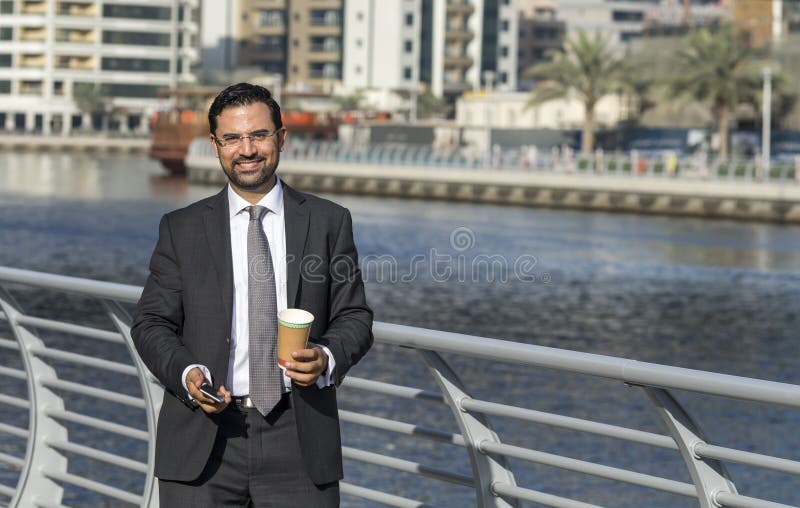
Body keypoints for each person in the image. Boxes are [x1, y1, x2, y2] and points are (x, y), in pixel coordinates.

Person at [132, 82, 373, 507]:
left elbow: (354, 317)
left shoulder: (328, 221)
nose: (247, 150)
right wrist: (188, 374)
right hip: (202, 440)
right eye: (233, 138)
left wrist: (326, 359)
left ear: (281, 138)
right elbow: (152, 323)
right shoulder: (181, 228)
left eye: (258, 135)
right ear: (215, 145)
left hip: (298, 437)